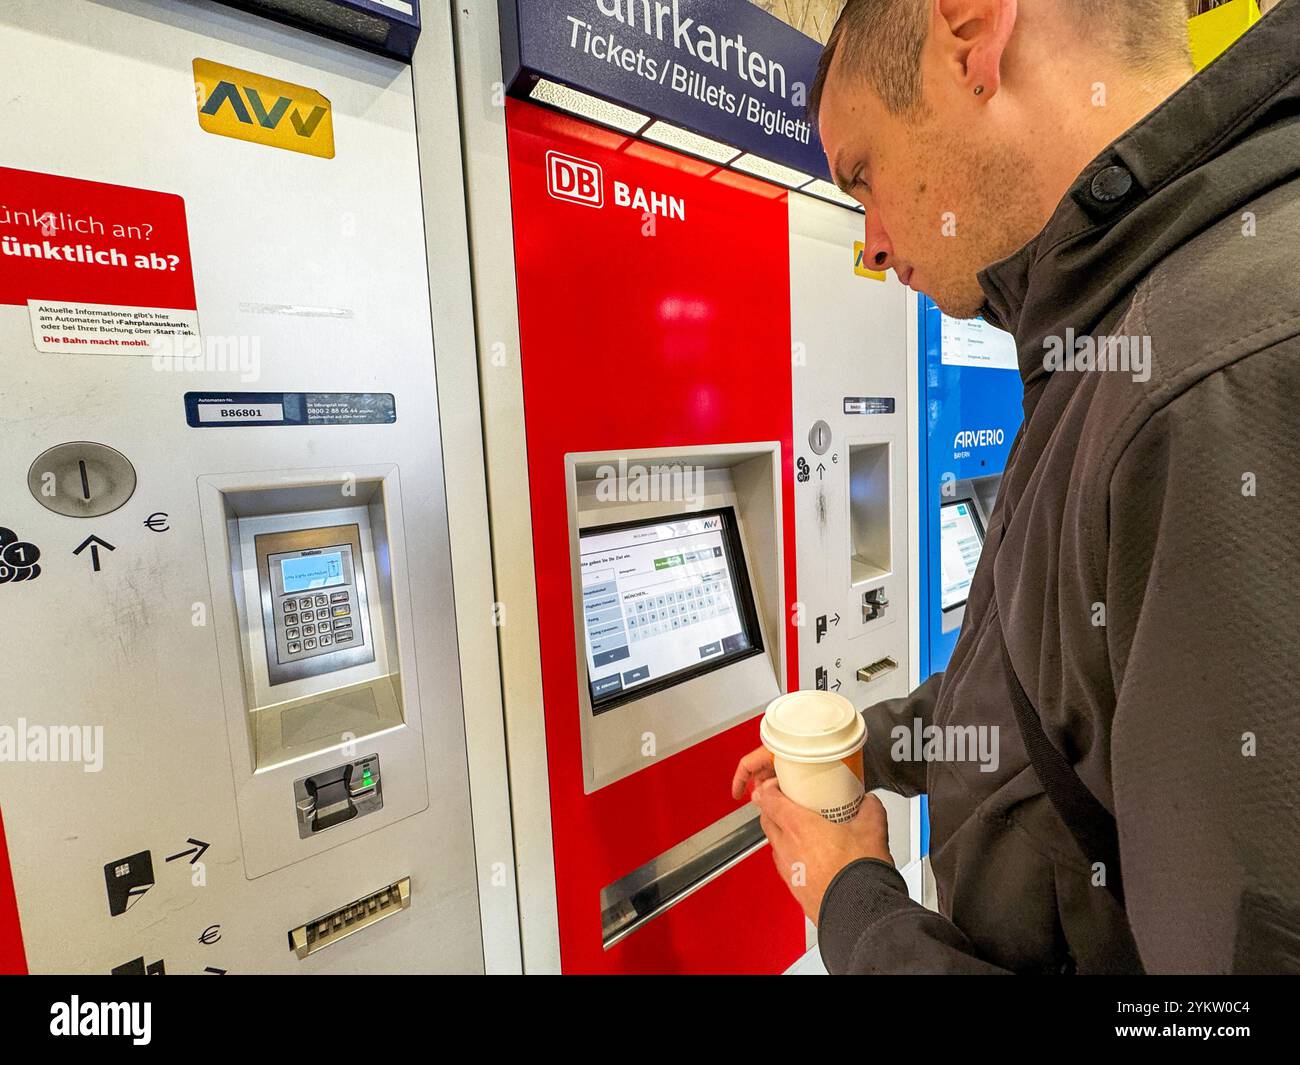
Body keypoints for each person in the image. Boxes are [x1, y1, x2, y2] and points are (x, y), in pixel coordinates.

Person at [734, 0, 1300, 974]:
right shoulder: (1123, 330)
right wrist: (879, 745)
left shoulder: (1202, 381)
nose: (866, 242)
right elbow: (1065, 691)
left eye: (861, 175)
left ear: (969, 33)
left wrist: (856, 906)